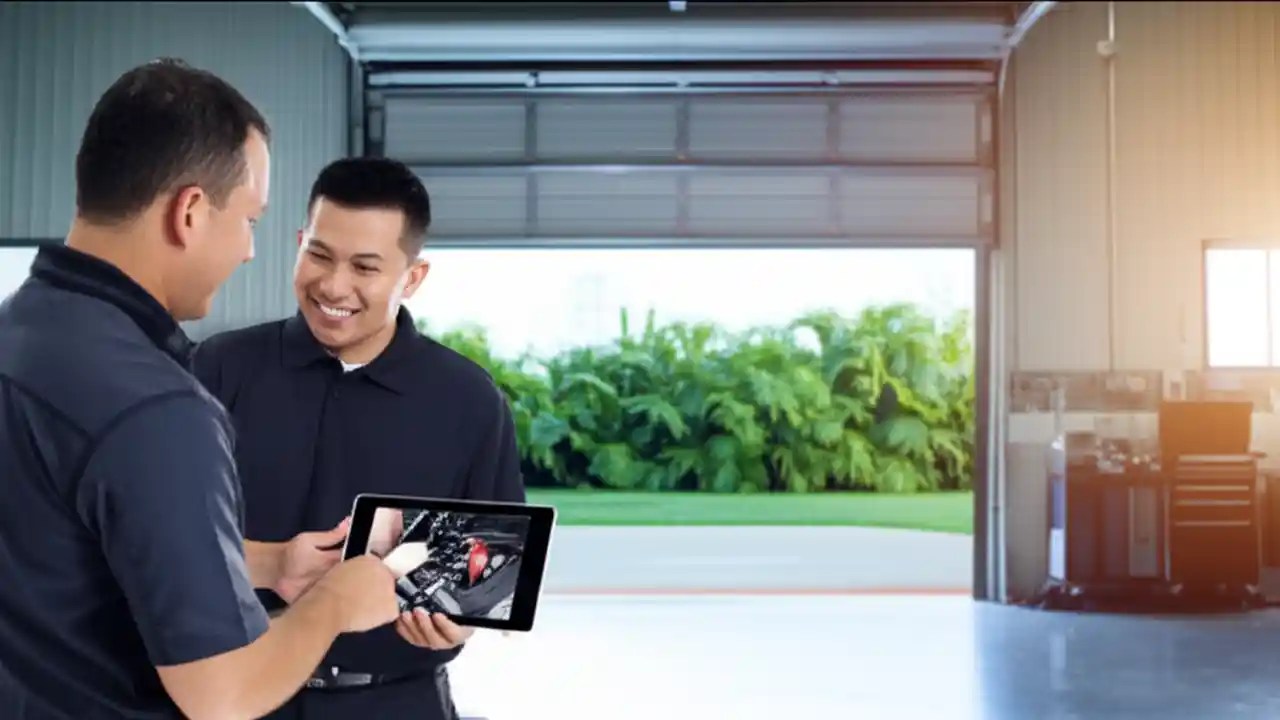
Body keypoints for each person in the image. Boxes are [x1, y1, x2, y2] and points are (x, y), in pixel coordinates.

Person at [0, 59, 402, 720]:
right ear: (189, 212)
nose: (249, 251)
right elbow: (224, 694)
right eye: (249, 221)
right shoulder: (157, 410)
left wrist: (272, 564)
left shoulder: (18, 334)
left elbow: (74, 553)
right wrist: (336, 602)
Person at [190, 156, 526, 719]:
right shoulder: (217, 369)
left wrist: (459, 623)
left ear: (412, 278)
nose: (333, 285)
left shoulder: (468, 400)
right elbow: (146, 541)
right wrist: (272, 563)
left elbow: (498, 564)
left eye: (365, 267)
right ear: (299, 243)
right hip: (235, 697)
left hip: (399, 703)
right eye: (319, 254)